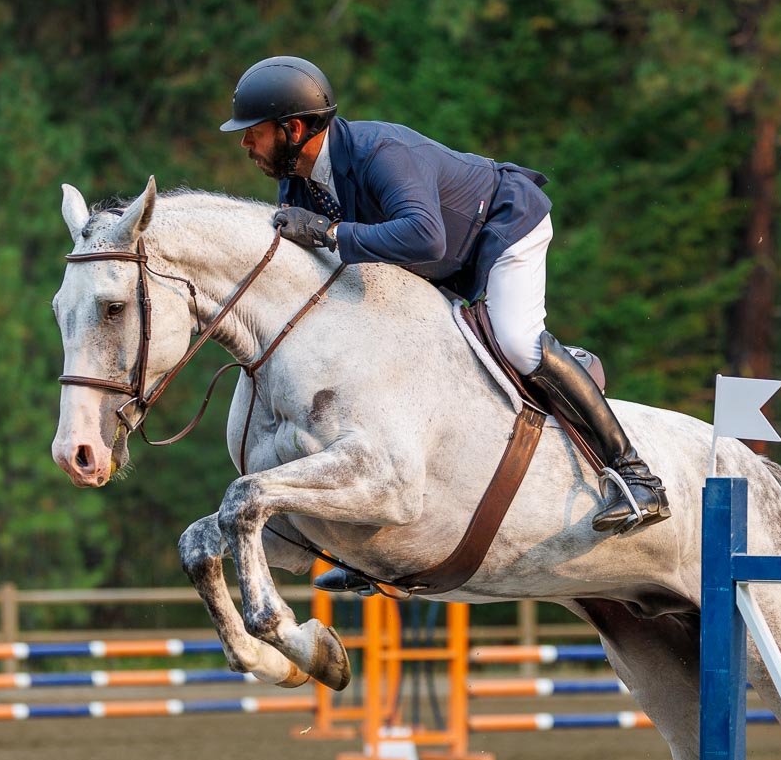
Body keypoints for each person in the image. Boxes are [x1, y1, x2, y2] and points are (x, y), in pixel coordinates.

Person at [220, 56, 669, 590]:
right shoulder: (299, 184)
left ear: (292, 128)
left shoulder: (380, 152)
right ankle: (367, 540)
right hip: (439, 263)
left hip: (500, 230)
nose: (246, 145)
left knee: (519, 343)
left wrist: (329, 232)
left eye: (254, 133)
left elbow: (423, 235)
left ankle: (637, 476)